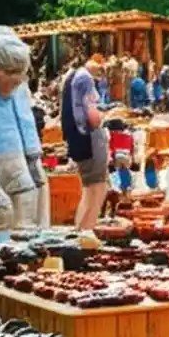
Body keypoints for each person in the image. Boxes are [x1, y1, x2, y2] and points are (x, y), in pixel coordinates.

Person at [0, 27, 45, 229]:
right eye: (10, 72)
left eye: (21, 73)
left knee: (24, 210)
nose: (17, 79)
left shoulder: (18, 89)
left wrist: (33, 155)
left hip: (14, 154)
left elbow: (25, 118)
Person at [63, 55, 110, 230]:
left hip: (77, 140)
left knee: (89, 188)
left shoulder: (71, 77)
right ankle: (86, 232)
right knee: (98, 188)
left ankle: (80, 233)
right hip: (89, 140)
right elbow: (93, 118)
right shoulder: (85, 79)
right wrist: (102, 117)